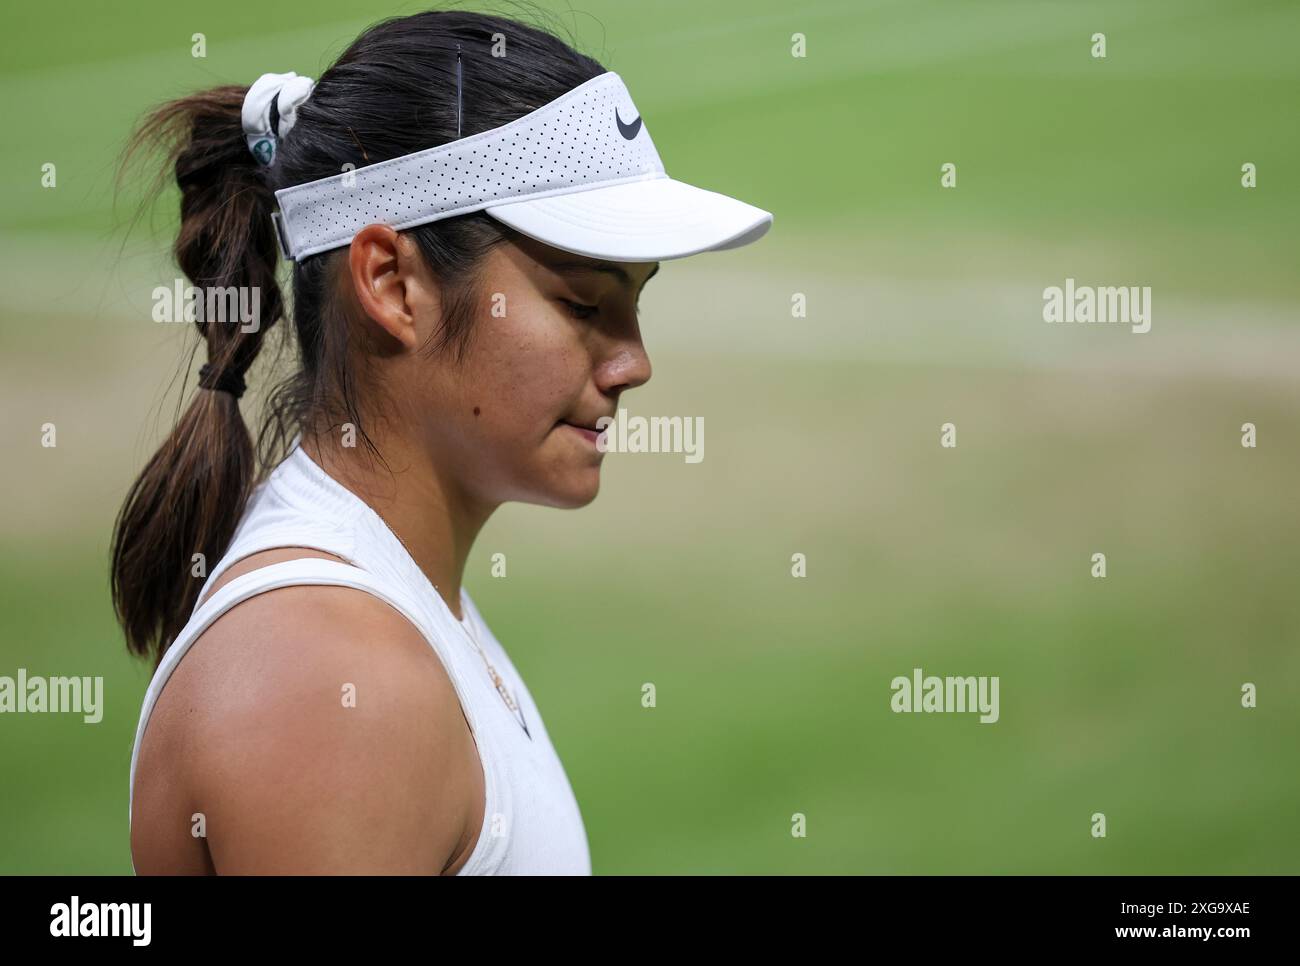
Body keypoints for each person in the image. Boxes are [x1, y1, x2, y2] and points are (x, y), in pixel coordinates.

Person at [113, 8, 772, 875]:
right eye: (582, 302)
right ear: (391, 284)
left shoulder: (391, 613)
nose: (634, 362)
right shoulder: (336, 684)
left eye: (636, 300)